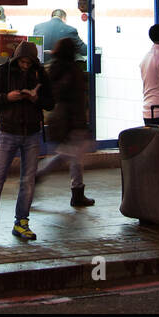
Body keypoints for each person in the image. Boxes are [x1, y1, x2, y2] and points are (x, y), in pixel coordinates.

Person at [0, 41, 54, 243]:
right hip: (8, 132)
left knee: (27, 181)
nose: (25, 65)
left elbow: (50, 102)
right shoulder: (4, 71)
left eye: (29, 62)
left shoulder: (39, 73)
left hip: (32, 133)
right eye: (23, 61)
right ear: (17, 58)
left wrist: (36, 99)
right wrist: (8, 98)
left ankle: (21, 222)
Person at [34, 36, 95, 206]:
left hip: (62, 117)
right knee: (71, 155)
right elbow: (76, 95)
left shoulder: (55, 67)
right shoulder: (71, 69)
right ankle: (74, 191)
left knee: (72, 156)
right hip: (72, 118)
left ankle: (77, 191)